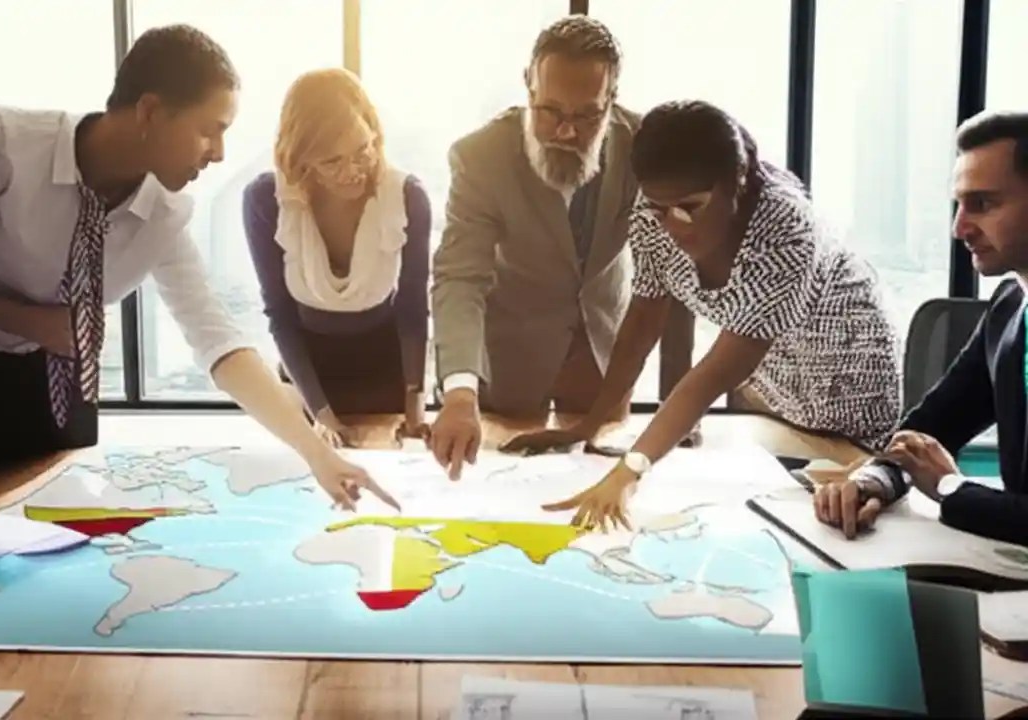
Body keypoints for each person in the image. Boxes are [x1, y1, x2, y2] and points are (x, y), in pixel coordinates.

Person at [0, 25, 392, 511]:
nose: (219, 153)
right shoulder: (1, 142)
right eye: (210, 130)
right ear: (151, 112)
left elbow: (217, 339)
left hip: (41, 374)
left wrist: (315, 453)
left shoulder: (165, 212)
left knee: (44, 530)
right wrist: (37, 323)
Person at [510, 100, 902, 532]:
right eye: (661, 208)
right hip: (769, 395)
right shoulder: (653, 211)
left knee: (836, 522)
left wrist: (630, 471)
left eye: (690, 206)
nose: (673, 224)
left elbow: (716, 372)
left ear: (736, 180)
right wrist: (589, 424)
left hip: (849, 387)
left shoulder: (786, 227)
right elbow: (643, 320)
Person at [428, 16, 642, 479]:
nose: (566, 132)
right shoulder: (480, 156)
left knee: (596, 486)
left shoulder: (642, 147)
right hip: (511, 354)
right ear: (528, 85)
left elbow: (675, 269)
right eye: (549, 110)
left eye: (587, 115)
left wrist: (678, 394)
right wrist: (460, 392)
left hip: (603, 353)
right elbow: (460, 277)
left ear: (612, 99)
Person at [815, 110, 1028, 546]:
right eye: (959, 205)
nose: (960, 228)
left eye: (983, 204)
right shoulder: (1011, 304)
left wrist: (951, 488)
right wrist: (878, 478)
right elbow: (933, 425)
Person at [243, 69, 431, 448]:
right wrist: (321, 415)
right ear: (301, 158)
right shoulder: (266, 200)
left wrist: (415, 411)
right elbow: (279, 314)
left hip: (385, 372)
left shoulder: (407, 197)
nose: (352, 172)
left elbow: (412, 308)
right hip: (306, 376)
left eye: (364, 149)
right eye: (331, 161)